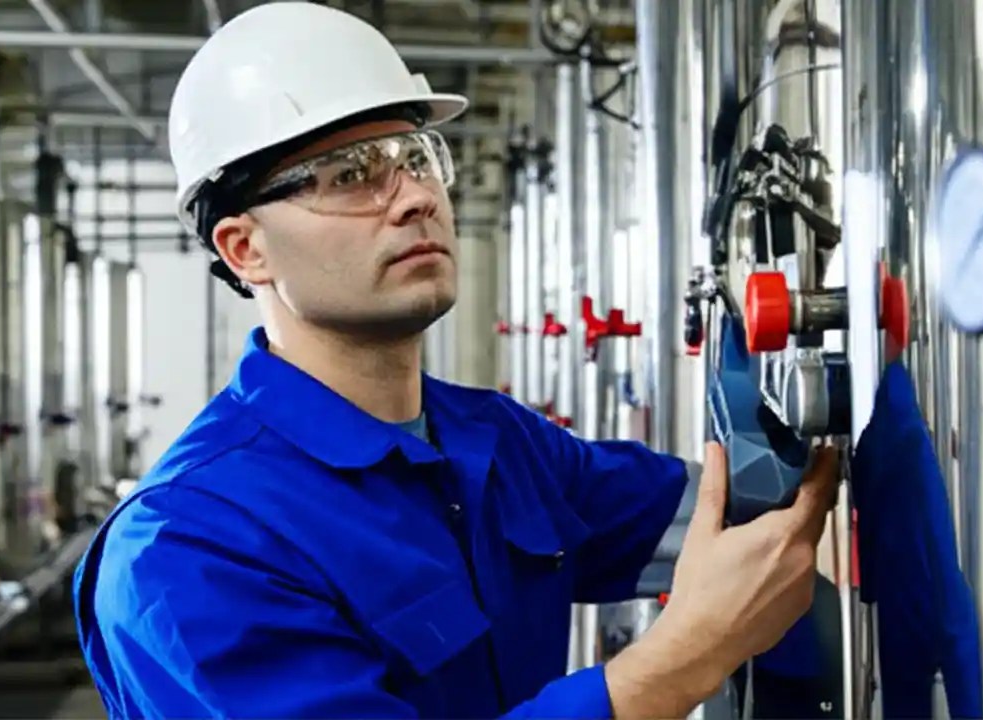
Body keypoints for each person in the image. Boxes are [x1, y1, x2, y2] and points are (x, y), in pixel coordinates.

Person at [72, 4, 841, 718]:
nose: (413, 197)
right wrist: (680, 661)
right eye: (351, 174)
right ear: (246, 249)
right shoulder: (190, 548)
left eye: (415, 156)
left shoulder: (494, 442)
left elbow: (734, 517)